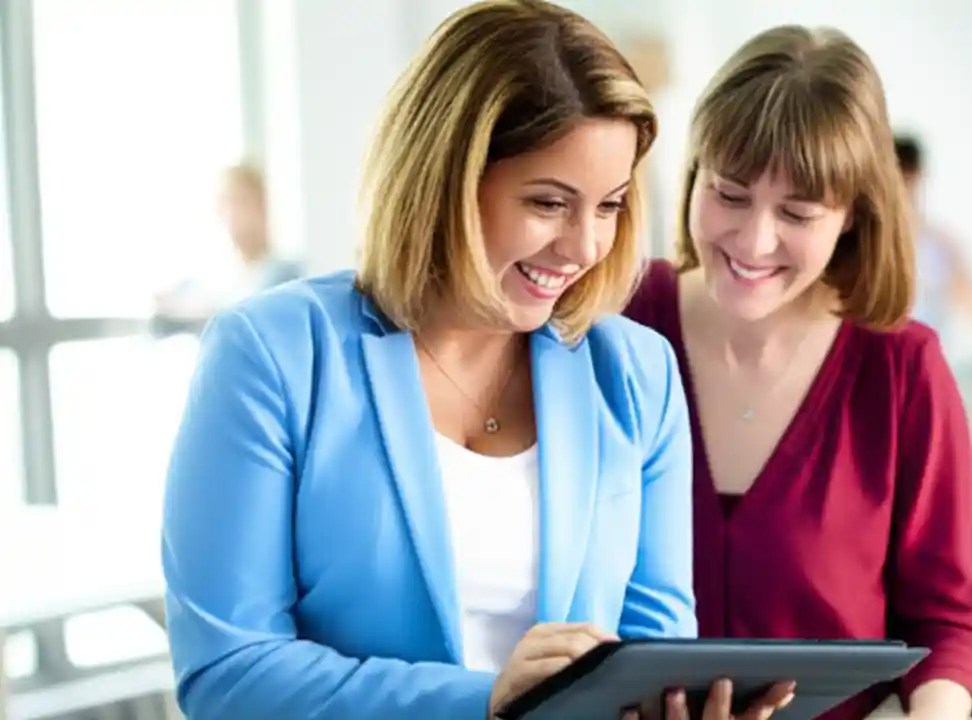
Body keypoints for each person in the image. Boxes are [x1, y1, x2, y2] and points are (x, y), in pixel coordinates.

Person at [162, 3, 793, 718]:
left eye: (610, 205)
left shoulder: (636, 376)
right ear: (447, 181)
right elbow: (228, 672)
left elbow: (653, 651)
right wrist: (484, 702)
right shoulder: (273, 354)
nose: (586, 247)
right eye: (550, 202)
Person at [624, 25, 972, 720]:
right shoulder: (621, 324)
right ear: (693, 174)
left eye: (797, 212)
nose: (754, 240)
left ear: (853, 215)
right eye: (729, 195)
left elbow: (953, 624)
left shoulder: (902, 371)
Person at [153, 162, 300, 324]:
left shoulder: (283, 274)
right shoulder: (217, 278)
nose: (232, 214)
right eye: (225, 203)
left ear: (263, 207)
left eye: (241, 201)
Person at [892, 135, 972, 342]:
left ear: (919, 176)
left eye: (909, 176)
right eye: (899, 177)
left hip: (930, 361)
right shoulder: (869, 247)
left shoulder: (942, 246)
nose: (904, 187)